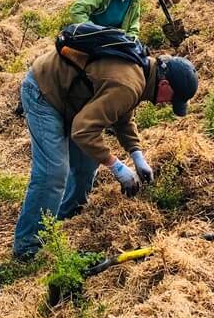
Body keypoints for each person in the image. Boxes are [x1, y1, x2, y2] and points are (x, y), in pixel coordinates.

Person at [11, 36, 198, 258]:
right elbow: (83, 131)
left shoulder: (143, 72)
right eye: (172, 100)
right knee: (53, 173)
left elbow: (122, 114)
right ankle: (27, 247)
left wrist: (136, 154)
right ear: (165, 85)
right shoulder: (130, 83)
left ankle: (66, 216)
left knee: (87, 162)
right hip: (45, 92)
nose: (167, 104)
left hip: (72, 98)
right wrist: (116, 166)